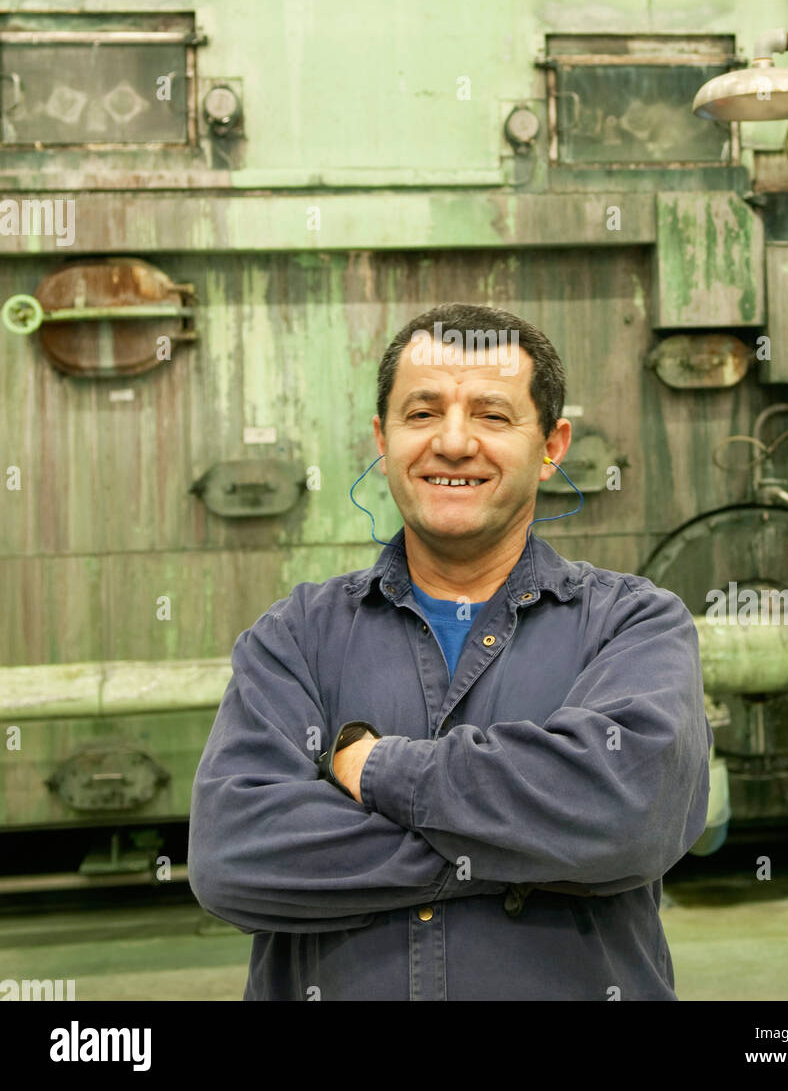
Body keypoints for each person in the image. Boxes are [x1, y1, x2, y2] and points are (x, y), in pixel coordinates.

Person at [188, 301, 712, 1001]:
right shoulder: (296, 637)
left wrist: (376, 770)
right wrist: (533, 847)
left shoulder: (633, 624)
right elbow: (233, 858)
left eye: (493, 415)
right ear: (383, 437)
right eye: (422, 413)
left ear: (552, 447)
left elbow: (632, 817)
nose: (454, 442)